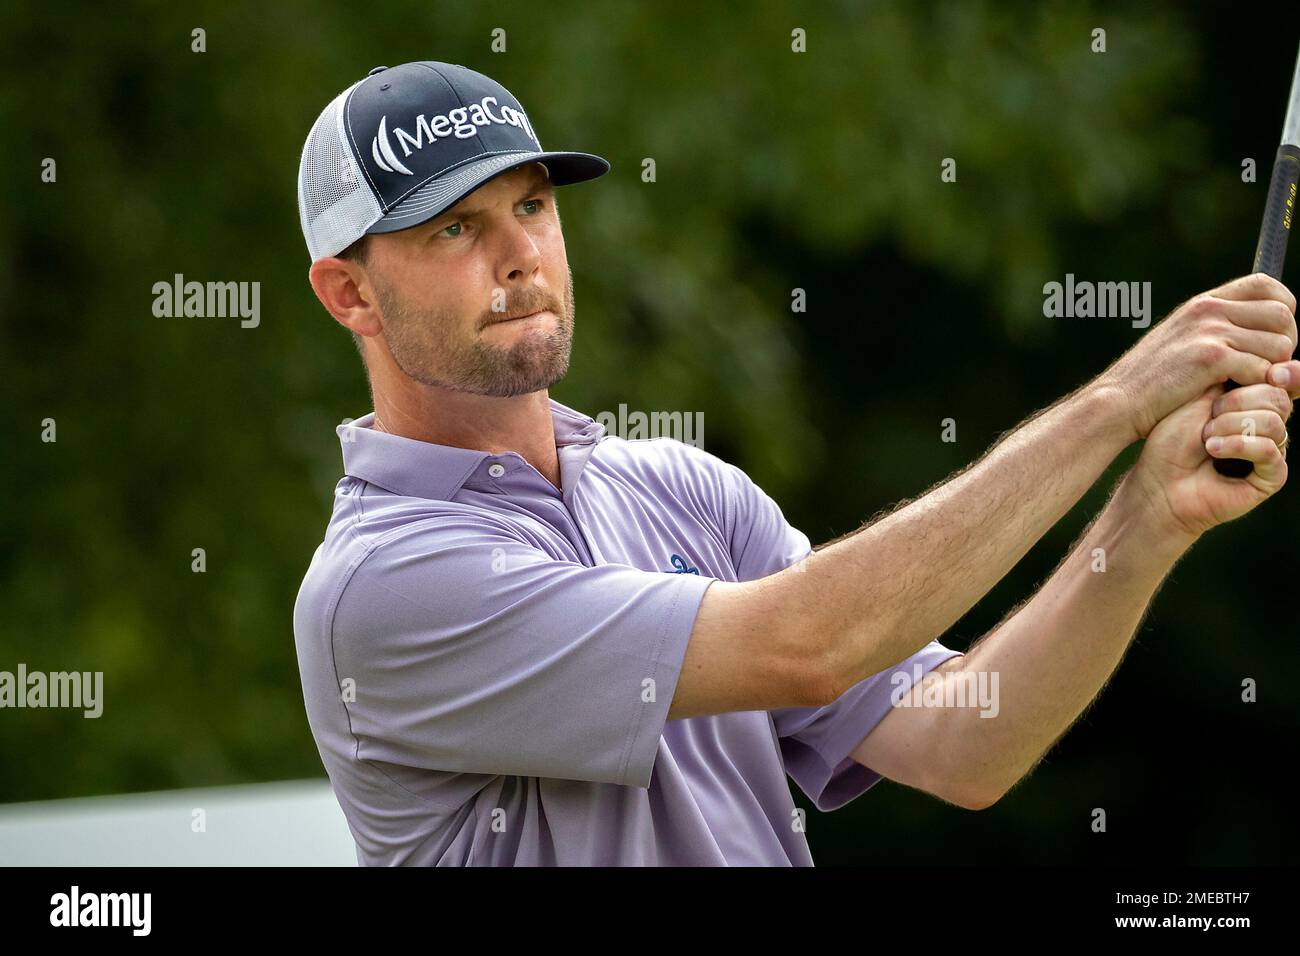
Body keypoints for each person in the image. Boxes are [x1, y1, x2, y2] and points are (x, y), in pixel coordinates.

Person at [293, 60, 1298, 865]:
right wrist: (1117, 402)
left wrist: (1144, 519)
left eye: (534, 207)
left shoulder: (678, 486)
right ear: (350, 294)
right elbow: (811, 639)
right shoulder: (383, 583)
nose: (521, 256)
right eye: (457, 227)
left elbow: (963, 741)